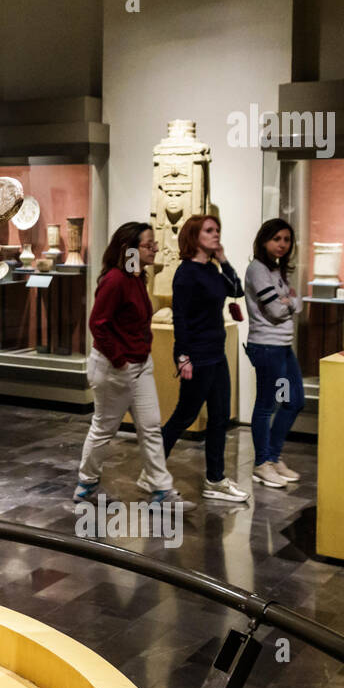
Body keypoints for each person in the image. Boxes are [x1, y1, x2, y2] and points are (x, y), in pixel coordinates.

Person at [75, 222, 192, 508]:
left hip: (139, 365)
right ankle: (86, 483)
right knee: (104, 428)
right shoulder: (115, 280)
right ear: (130, 249)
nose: (154, 248)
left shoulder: (138, 278)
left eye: (153, 243)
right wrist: (120, 360)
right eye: (148, 244)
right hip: (114, 367)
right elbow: (98, 324)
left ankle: (161, 490)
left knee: (151, 427)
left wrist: (138, 356)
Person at [161, 214, 249, 502]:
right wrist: (182, 356)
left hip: (216, 353)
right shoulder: (186, 273)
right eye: (209, 231)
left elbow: (237, 290)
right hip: (197, 355)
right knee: (184, 416)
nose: (216, 235)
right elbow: (181, 318)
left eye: (217, 230)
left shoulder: (213, 269)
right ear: (194, 237)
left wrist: (224, 259)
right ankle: (153, 470)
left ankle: (215, 479)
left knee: (220, 417)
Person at [244, 218, 304, 487]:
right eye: (276, 239)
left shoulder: (279, 270)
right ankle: (261, 463)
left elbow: (293, 303)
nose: (282, 244)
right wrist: (290, 302)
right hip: (267, 347)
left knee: (294, 401)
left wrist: (289, 301)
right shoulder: (257, 269)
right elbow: (278, 310)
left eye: (286, 240)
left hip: (282, 346)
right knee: (267, 405)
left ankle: (273, 456)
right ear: (264, 241)